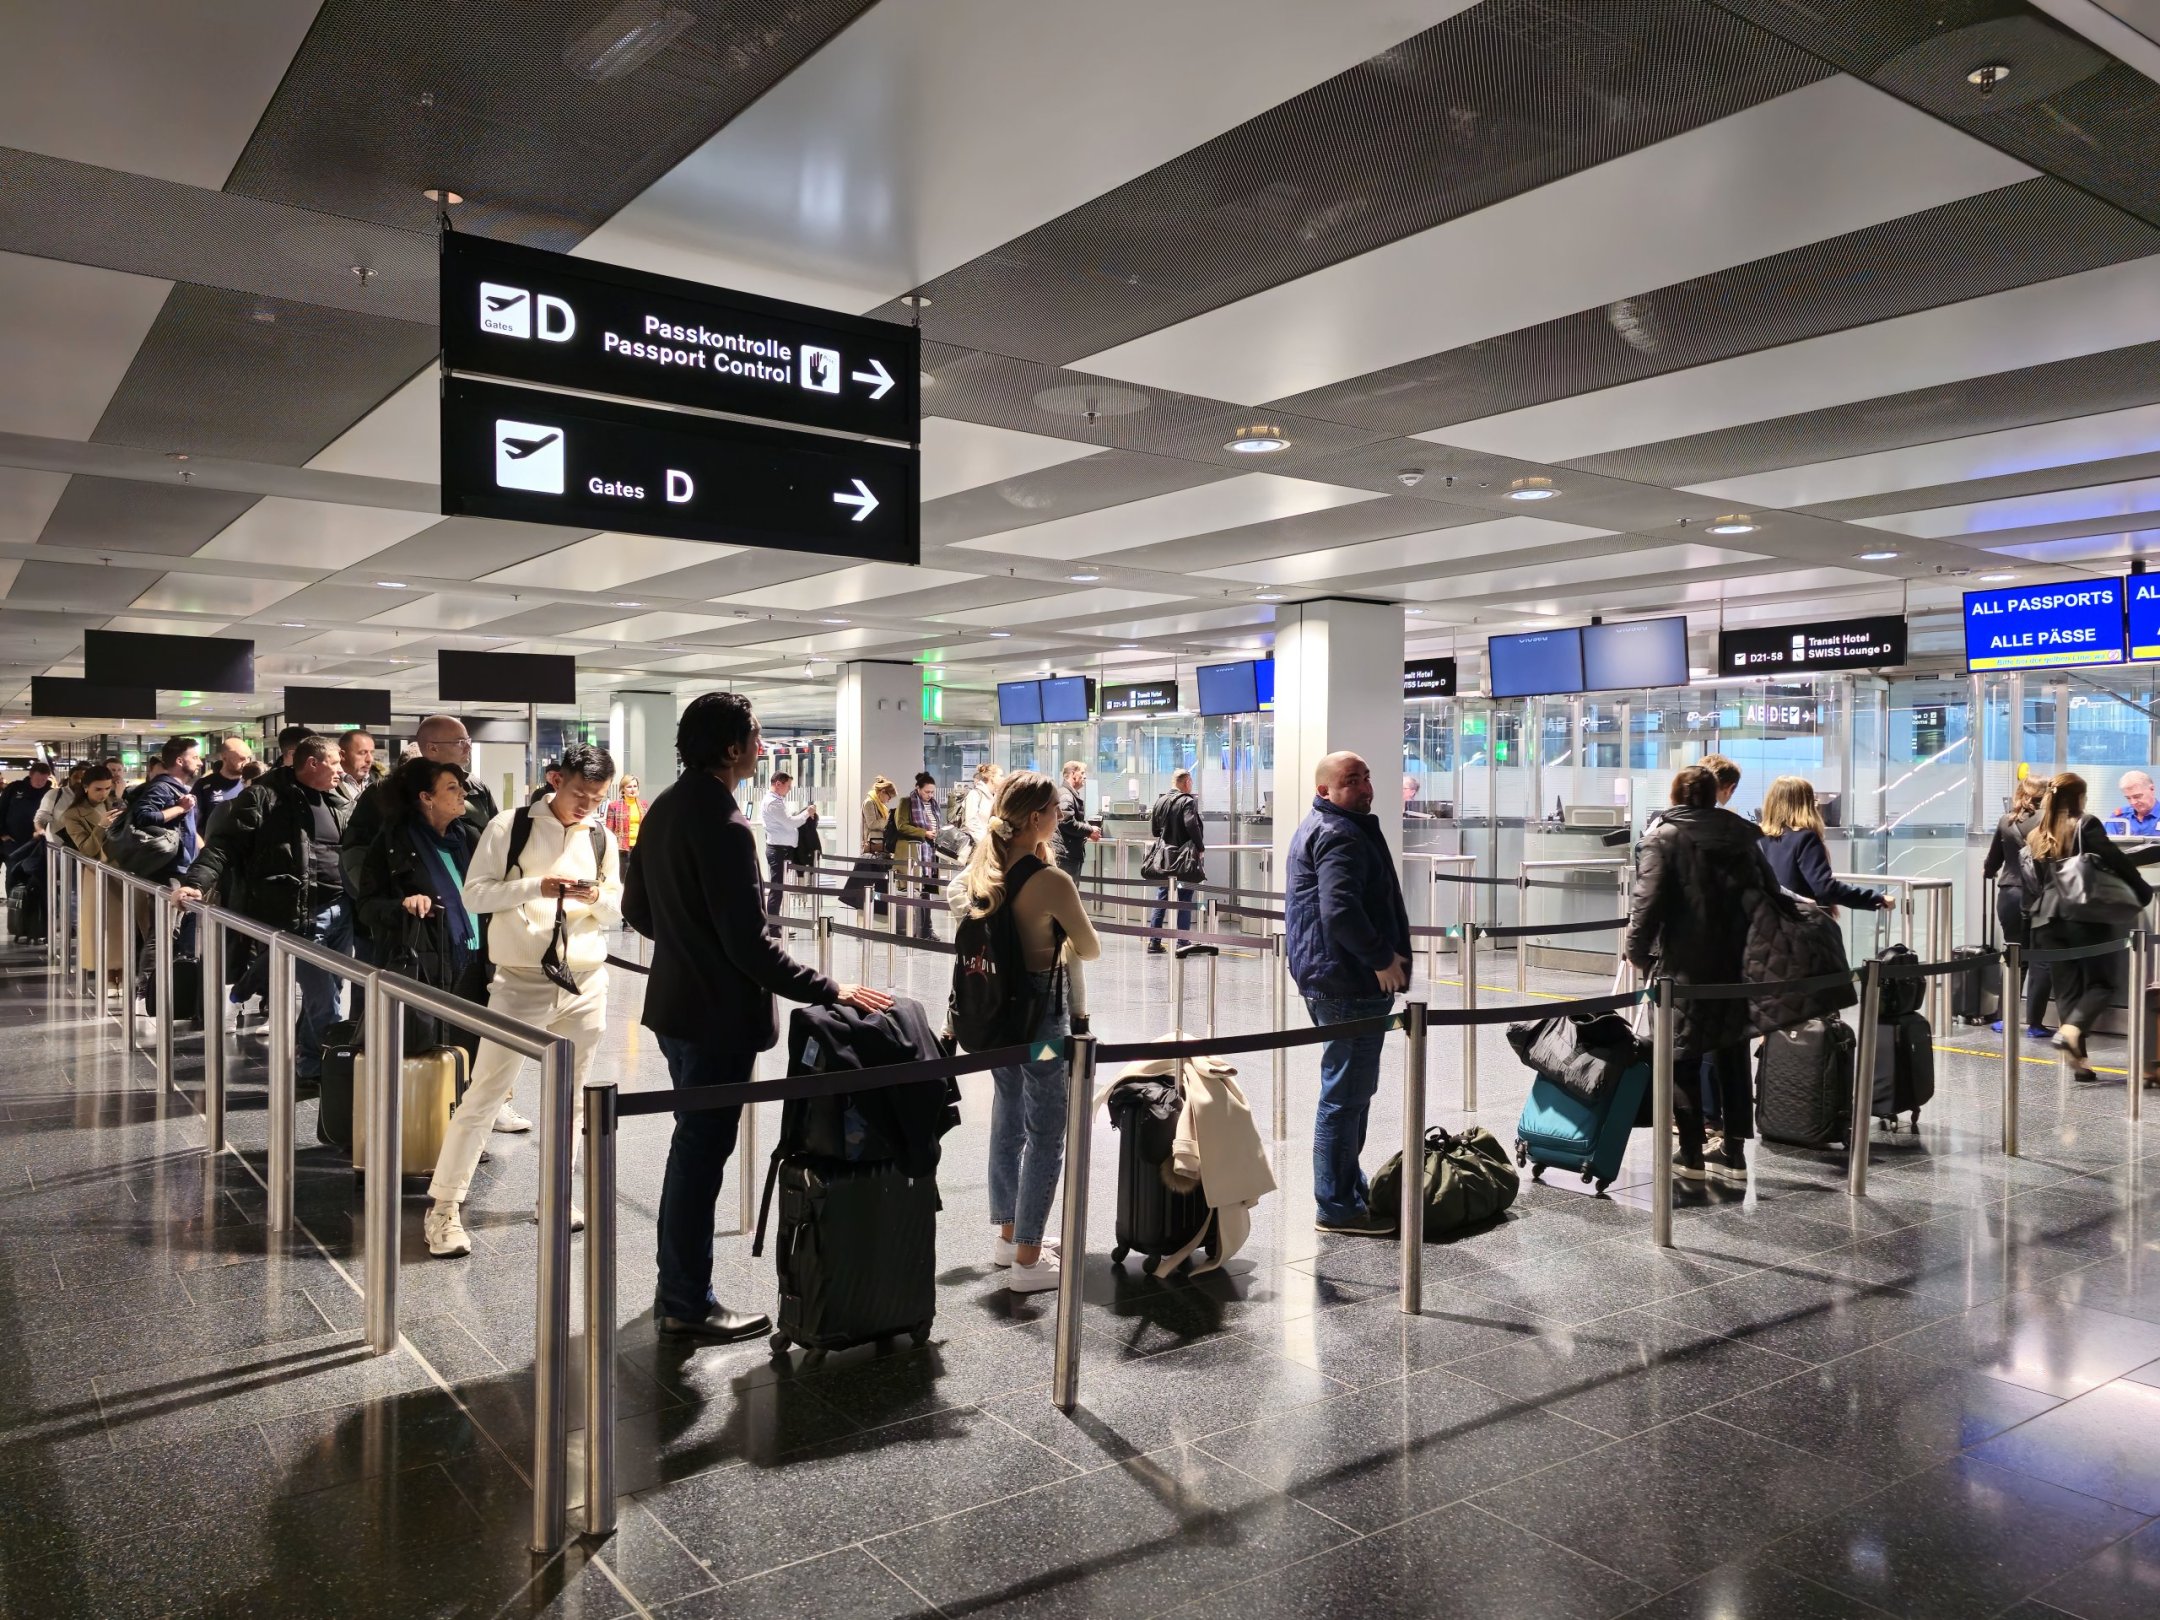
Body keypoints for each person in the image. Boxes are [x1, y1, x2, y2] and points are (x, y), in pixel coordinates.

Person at [624, 693, 891, 1341]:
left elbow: (637, 911)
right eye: (755, 735)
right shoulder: (724, 824)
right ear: (731, 747)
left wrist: (687, 943)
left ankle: (678, 1286)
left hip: (674, 1007)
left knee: (691, 1147)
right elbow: (748, 944)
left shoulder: (664, 809)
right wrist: (832, 988)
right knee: (699, 1154)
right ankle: (686, 1301)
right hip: (715, 1017)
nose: (762, 744)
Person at [422, 744, 623, 1259]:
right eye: (579, 793)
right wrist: (538, 886)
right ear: (557, 780)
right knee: (486, 1093)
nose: (586, 805)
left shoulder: (601, 836)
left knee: (573, 1098)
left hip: (584, 980)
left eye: (596, 798)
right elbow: (476, 895)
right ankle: (443, 1207)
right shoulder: (510, 827)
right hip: (520, 981)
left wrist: (593, 898)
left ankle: (556, 1194)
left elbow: (617, 908)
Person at [950, 770, 1101, 1292]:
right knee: (1046, 1131)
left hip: (993, 1020)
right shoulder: (1051, 881)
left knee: (1006, 1118)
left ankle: (1009, 1235)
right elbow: (1089, 948)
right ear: (1036, 819)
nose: (1061, 818)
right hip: (1040, 1024)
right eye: (1056, 810)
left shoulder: (979, 873)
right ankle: (1030, 1259)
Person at [1626, 765, 1778, 1182]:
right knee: (1731, 1052)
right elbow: (1771, 893)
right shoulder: (1744, 839)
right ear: (1715, 795)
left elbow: (1647, 901)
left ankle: (1691, 1151)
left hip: (1682, 964)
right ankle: (1734, 1152)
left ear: (1676, 796)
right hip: (1735, 962)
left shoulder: (1663, 837)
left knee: (1683, 1054)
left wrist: (1637, 952)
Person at [176, 735, 356, 1084]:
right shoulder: (264, 796)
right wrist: (196, 882)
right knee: (325, 1002)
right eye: (334, 763)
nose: (340, 769)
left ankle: (310, 1066)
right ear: (311, 763)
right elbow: (223, 846)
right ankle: (332, 1075)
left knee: (331, 992)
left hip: (341, 910)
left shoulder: (342, 797)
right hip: (301, 914)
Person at [1285, 752, 1412, 1235]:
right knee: (1345, 1095)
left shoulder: (1326, 825)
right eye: (1350, 780)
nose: (1363, 788)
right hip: (1348, 980)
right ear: (1325, 791)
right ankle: (1337, 1205)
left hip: (1332, 976)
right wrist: (1382, 958)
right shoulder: (1340, 833)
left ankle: (1347, 1186)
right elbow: (1340, 911)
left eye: (1366, 777)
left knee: (1350, 1090)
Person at [353, 757, 486, 1059]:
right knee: (435, 1056)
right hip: (428, 967)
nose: (463, 793)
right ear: (426, 798)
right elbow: (367, 907)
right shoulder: (391, 843)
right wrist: (403, 905)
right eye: (452, 788)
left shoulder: (470, 839)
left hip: (478, 965)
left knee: (478, 1055)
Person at [2027, 771, 2153, 1083]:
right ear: (2080, 797)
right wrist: (2141, 891)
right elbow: (2115, 860)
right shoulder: (2086, 823)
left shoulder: (2037, 829)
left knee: (2067, 990)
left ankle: (2080, 1062)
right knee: (2102, 983)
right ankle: (2071, 1030)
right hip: (2081, 913)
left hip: (2046, 919)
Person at [1983, 776, 2053, 1038]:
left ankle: (2005, 1018)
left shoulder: (2006, 820)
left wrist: (1988, 871)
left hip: (2010, 893)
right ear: (2046, 794)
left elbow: (1992, 863)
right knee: (2041, 959)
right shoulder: (2050, 821)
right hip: (2042, 895)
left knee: (2014, 956)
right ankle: (2035, 1024)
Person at [1758, 777, 1887, 913]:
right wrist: (1876, 898)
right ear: (1805, 805)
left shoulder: (1758, 838)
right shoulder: (1805, 838)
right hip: (1799, 923)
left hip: (1767, 922)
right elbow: (1825, 888)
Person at [56, 766, 127, 989]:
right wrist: (101, 826)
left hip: (123, 871)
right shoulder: (73, 814)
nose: (104, 793)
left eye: (107, 788)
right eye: (98, 789)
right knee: (103, 928)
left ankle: (124, 976)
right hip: (98, 875)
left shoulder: (117, 804)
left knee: (124, 929)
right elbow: (86, 849)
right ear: (85, 787)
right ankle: (107, 977)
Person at [1146, 769, 1209, 957]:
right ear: (1187, 782)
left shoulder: (1160, 801)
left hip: (1165, 858)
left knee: (1162, 897)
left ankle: (1154, 941)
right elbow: (1191, 824)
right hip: (1184, 858)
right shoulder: (1187, 801)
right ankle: (1183, 941)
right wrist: (1200, 846)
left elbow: (1155, 831)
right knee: (1185, 898)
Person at [130, 737, 203, 886]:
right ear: (180, 761)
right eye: (195, 757)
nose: (200, 762)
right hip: (168, 870)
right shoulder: (161, 787)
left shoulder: (178, 788)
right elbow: (143, 816)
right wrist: (180, 808)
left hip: (180, 867)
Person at [758, 771, 811, 917]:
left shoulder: (777, 800)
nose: (789, 789)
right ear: (778, 784)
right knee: (777, 889)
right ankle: (774, 927)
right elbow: (790, 823)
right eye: (788, 786)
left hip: (781, 850)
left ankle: (778, 925)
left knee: (780, 889)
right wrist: (806, 813)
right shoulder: (773, 802)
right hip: (777, 851)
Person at [901, 771, 941, 939]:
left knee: (928, 891)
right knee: (918, 891)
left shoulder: (934, 804)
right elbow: (901, 826)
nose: (929, 795)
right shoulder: (907, 802)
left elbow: (938, 824)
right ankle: (919, 929)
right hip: (916, 852)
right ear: (918, 788)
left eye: (932, 792)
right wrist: (924, 833)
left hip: (931, 853)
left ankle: (927, 929)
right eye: (927, 792)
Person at [1053, 761, 1101, 880]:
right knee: (1066, 894)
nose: (1085, 776)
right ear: (1073, 774)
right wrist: (1089, 829)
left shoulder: (1067, 794)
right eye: (1082, 773)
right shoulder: (1066, 795)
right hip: (1066, 855)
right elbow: (1066, 822)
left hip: (1067, 853)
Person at [0, 761, 52, 866]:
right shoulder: (14, 788)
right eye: (37, 779)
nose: (40, 782)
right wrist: (3, 834)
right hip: (12, 840)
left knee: (33, 875)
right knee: (13, 873)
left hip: (36, 843)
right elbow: (1, 809)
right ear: (31, 775)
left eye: (44, 779)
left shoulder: (50, 794)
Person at [605, 774, 644, 880]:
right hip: (622, 849)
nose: (633, 789)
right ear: (623, 789)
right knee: (624, 879)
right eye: (629, 787)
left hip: (639, 847)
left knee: (639, 879)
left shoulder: (643, 805)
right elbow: (609, 830)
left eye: (635, 786)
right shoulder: (614, 806)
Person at [962, 763, 999, 846]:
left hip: (991, 845)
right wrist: (985, 843)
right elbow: (971, 822)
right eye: (1000, 775)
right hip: (977, 846)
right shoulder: (975, 794)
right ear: (991, 777)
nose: (1003, 778)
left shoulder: (995, 796)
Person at [2115, 770, 2160, 836]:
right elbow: (2105, 844)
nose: (2133, 802)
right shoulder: (2119, 817)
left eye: (2137, 796)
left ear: (2152, 789)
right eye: (2128, 798)